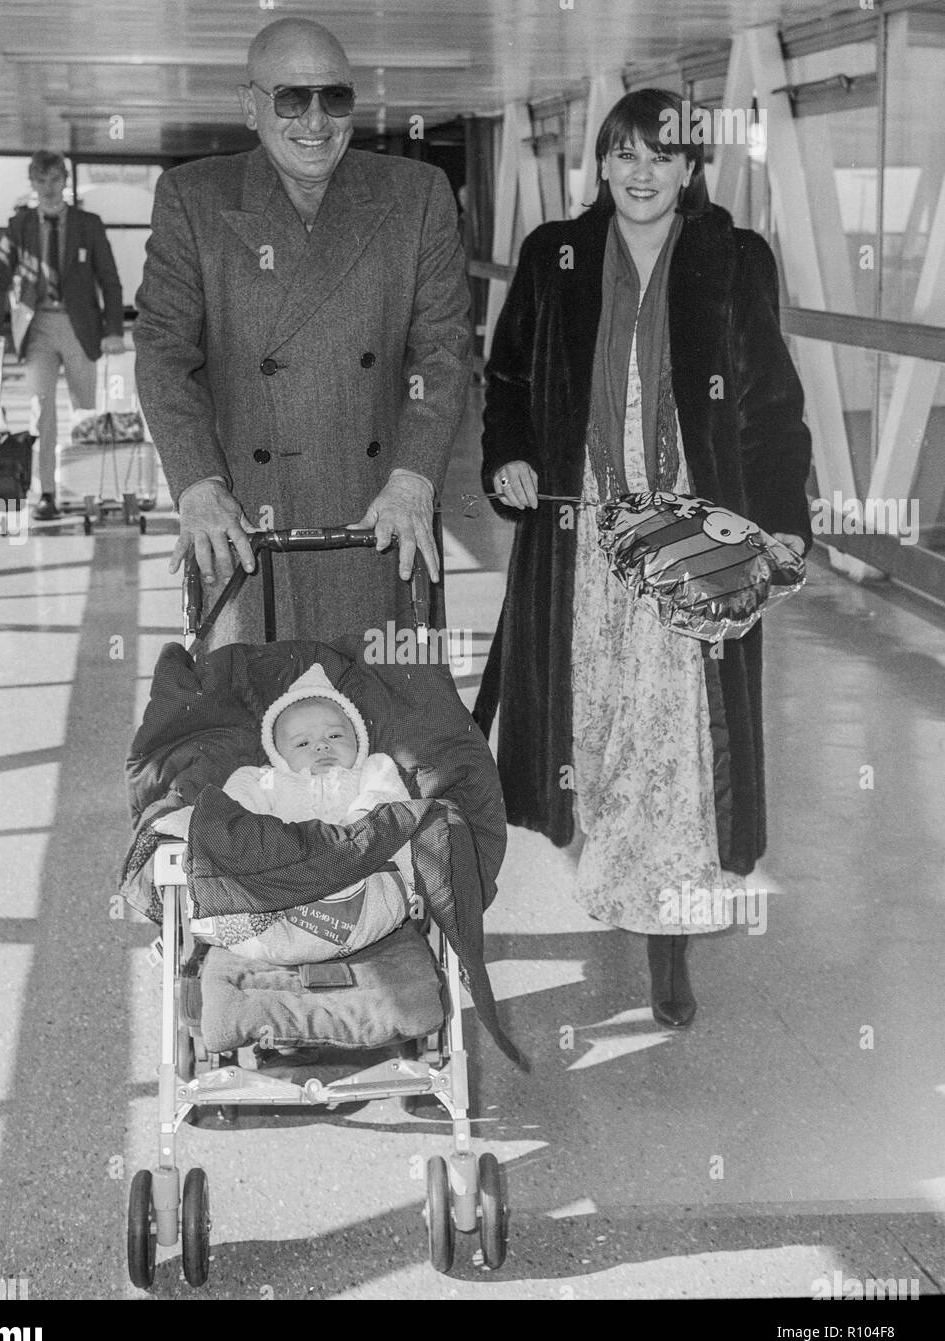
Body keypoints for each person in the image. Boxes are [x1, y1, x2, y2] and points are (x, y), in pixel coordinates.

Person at [474, 89, 812, 1028]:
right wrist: (508, 452)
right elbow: (504, 377)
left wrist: (784, 518)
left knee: (682, 747)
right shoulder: (557, 256)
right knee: (596, 733)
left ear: (691, 166)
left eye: (662, 156)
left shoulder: (734, 261)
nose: (642, 173)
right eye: (624, 153)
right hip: (581, 535)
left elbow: (771, 402)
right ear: (603, 163)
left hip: (695, 541)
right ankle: (609, 888)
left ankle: (669, 947)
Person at [133, 16, 470, 641]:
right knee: (247, 717)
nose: (315, 122)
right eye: (291, 98)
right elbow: (162, 353)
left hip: (379, 515)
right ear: (250, 106)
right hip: (242, 518)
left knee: (381, 720)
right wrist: (198, 485)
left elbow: (442, 352)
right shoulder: (194, 197)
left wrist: (414, 476)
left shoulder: (417, 193)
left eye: (334, 98)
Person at [153, 663, 417, 966]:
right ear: (278, 753)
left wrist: (355, 828)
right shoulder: (263, 780)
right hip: (272, 903)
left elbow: (386, 800)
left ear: (359, 739)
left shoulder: (374, 767)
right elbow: (231, 814)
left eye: (335, 736)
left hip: (361, 894)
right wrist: (197, 825)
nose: (321, 746)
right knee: (226, 837)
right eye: (303, 743)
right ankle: (192, 925)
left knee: (396, 832)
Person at [0, 150, 126, 520]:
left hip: (80, 327)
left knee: (84, 411)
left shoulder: (88, 224)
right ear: (32, 183)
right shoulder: (19, 226)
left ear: (65, 182)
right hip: (37, 327)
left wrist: (113, 330)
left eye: (55, 180)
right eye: (41, 181)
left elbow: (109, 279)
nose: (48, 188)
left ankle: (87, 491)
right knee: (41, 410)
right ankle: (46, 493)